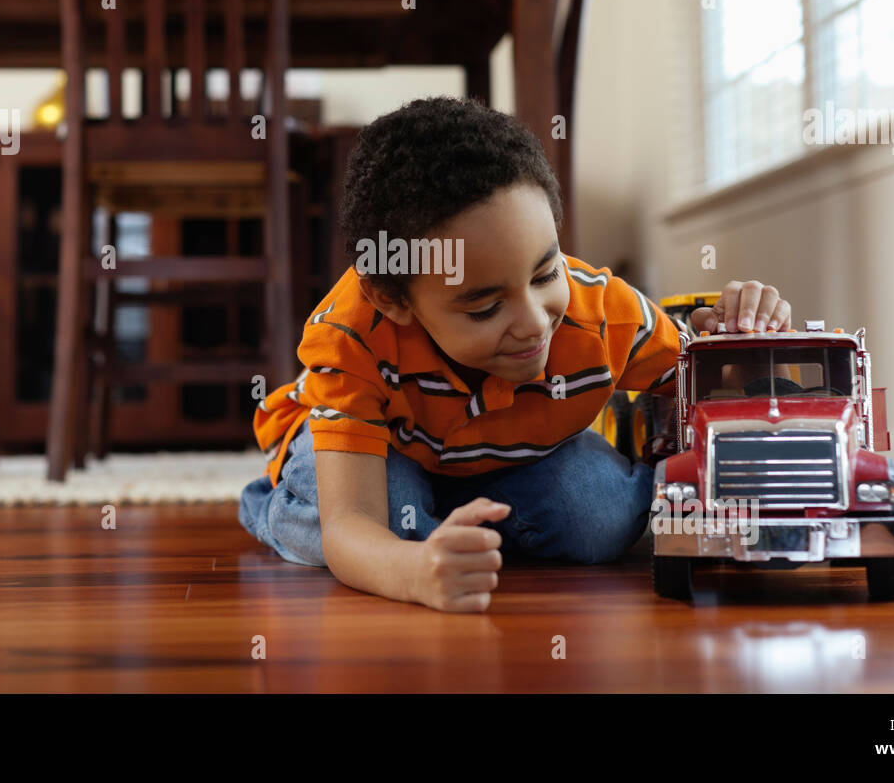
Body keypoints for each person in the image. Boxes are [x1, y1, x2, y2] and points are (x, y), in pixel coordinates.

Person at [239, 96, 791, 612]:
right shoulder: (351, 337)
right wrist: (414, 571)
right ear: (394, 300)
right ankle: (281, 503)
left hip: (511, 457)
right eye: (483, 308)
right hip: (388, 453)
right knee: (382, 530)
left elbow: (718, 381)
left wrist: (744, 334)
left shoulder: (606, 319)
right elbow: (352, 522)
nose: (533, 323)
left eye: (546, 273)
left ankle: (453, 523)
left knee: (601, 520)